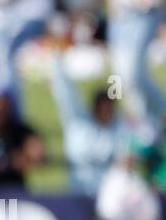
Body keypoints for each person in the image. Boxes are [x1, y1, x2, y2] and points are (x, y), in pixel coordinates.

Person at [103, 0, 166, 135]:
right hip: (119, 13)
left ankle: (158, 120)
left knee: (133, 74)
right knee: (119, 78)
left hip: (143, 11)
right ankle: (141, 125)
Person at [50, 53, 131, 196]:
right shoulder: (78, 122)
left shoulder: (119, 127)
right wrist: (56, 58)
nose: (106, 112)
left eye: (109, 108)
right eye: (102, 108)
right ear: (95, 107)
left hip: (109, 197)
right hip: (79, 191)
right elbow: (65, 92)